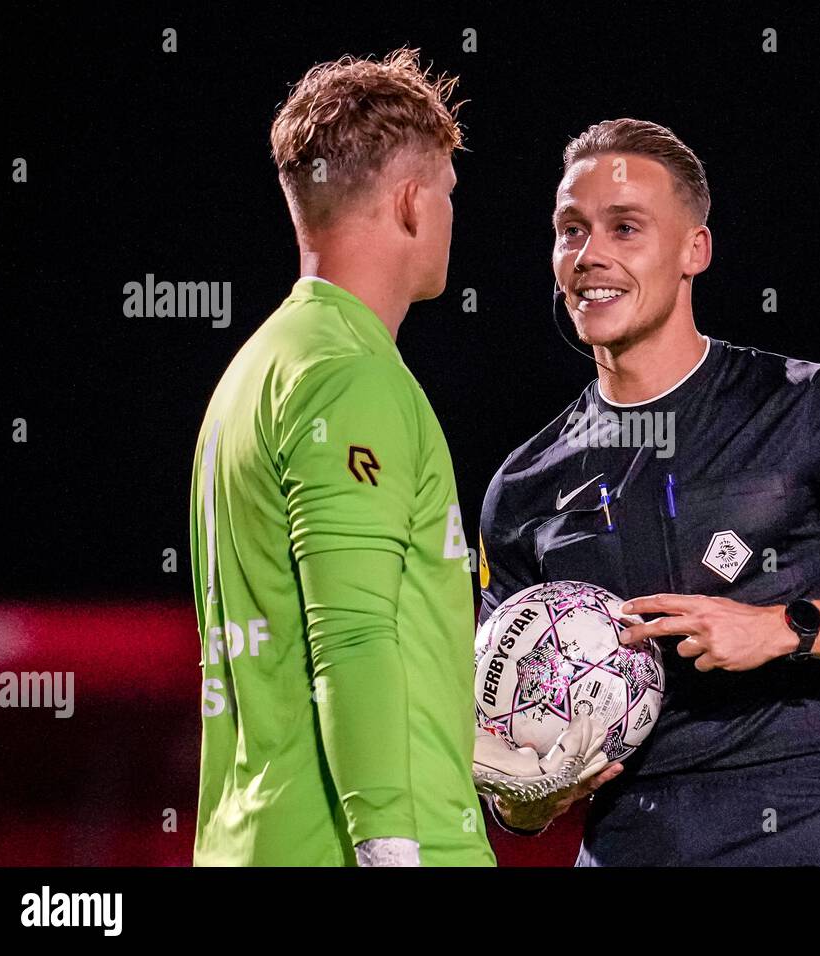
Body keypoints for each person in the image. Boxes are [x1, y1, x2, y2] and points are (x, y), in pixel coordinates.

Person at [476, 118, 820, 865]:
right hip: (622, 843)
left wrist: (781, 628)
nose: (591, 257)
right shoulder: (524, 485)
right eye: (571, 231)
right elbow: (507, 773)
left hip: (795, 828)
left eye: (625, 228)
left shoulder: (810, 406)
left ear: (695, 250)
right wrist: (533, 793)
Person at [189, 48, 494, 866]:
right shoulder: (349, 377)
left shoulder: (258, 368)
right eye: (448, 194)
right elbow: (353, 633)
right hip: (370, 848)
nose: (452, 217)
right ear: (409, 203)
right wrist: (390, 844)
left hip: (255, 837)